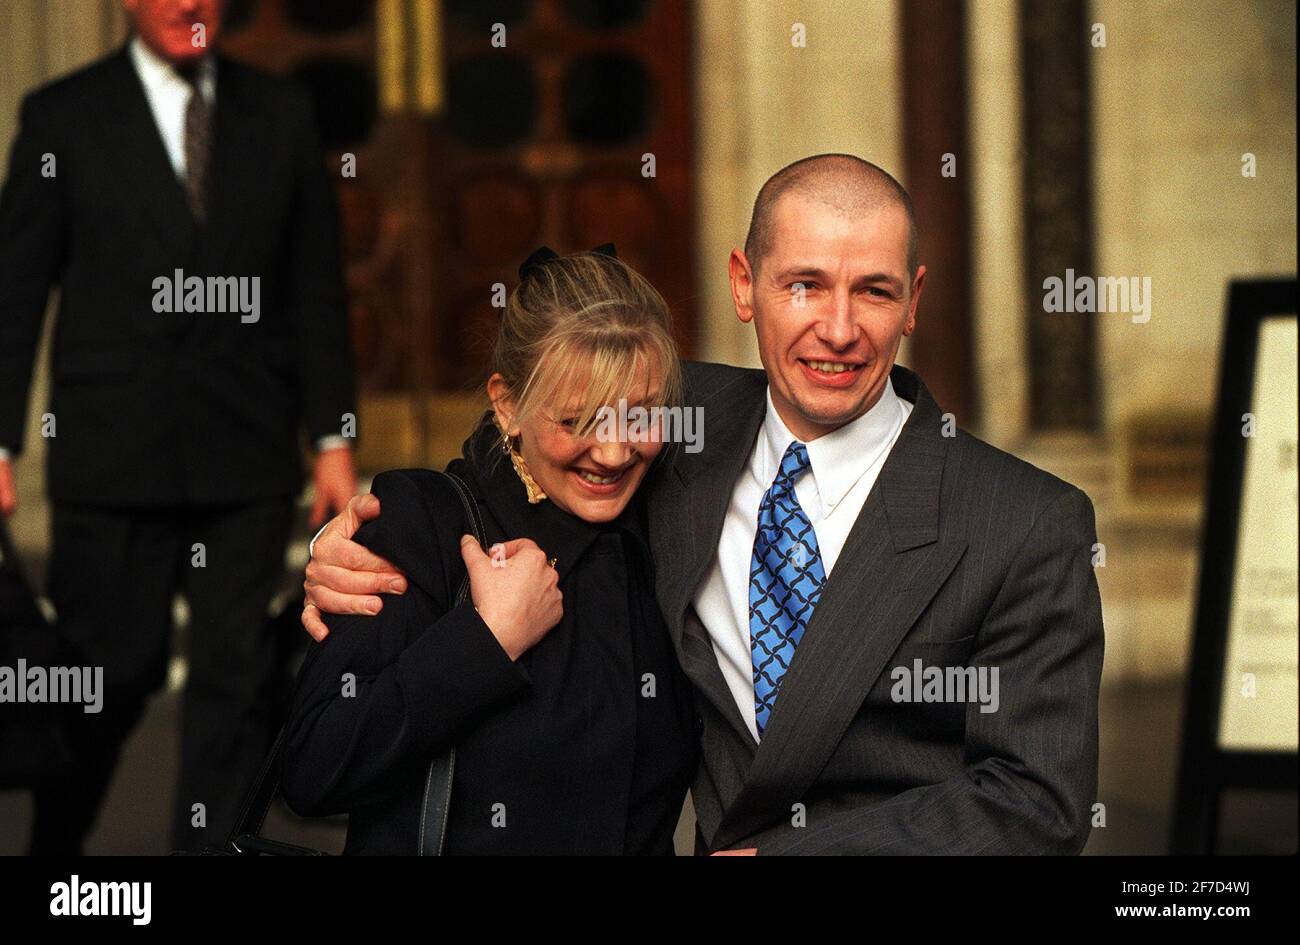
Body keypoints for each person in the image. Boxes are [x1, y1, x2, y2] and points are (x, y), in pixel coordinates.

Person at [304, 155, 1105, 855]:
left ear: (915, 300)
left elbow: (1037, 804)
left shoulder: (1026, 524)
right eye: (804, 284)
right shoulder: (679, 429)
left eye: (874, 291)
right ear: (743, 285)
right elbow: (539, 423)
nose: (838, 329)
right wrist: (373, 540)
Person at [0, 0, 357, 853]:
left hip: (247, 456)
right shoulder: (61, 118)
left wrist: (333, 439)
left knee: (233, 689)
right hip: (112, 458)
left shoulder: (282, 112)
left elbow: (315, 287)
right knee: (105, 678)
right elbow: (15, 294)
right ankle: (56, 847)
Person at [281, 248, 699, 854]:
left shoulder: (678, 523)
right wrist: (485, 642)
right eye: (578, 422)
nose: (613, 454)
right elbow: (315, 769)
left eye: (642, 417)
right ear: (507, 404)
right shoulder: (423, 526)